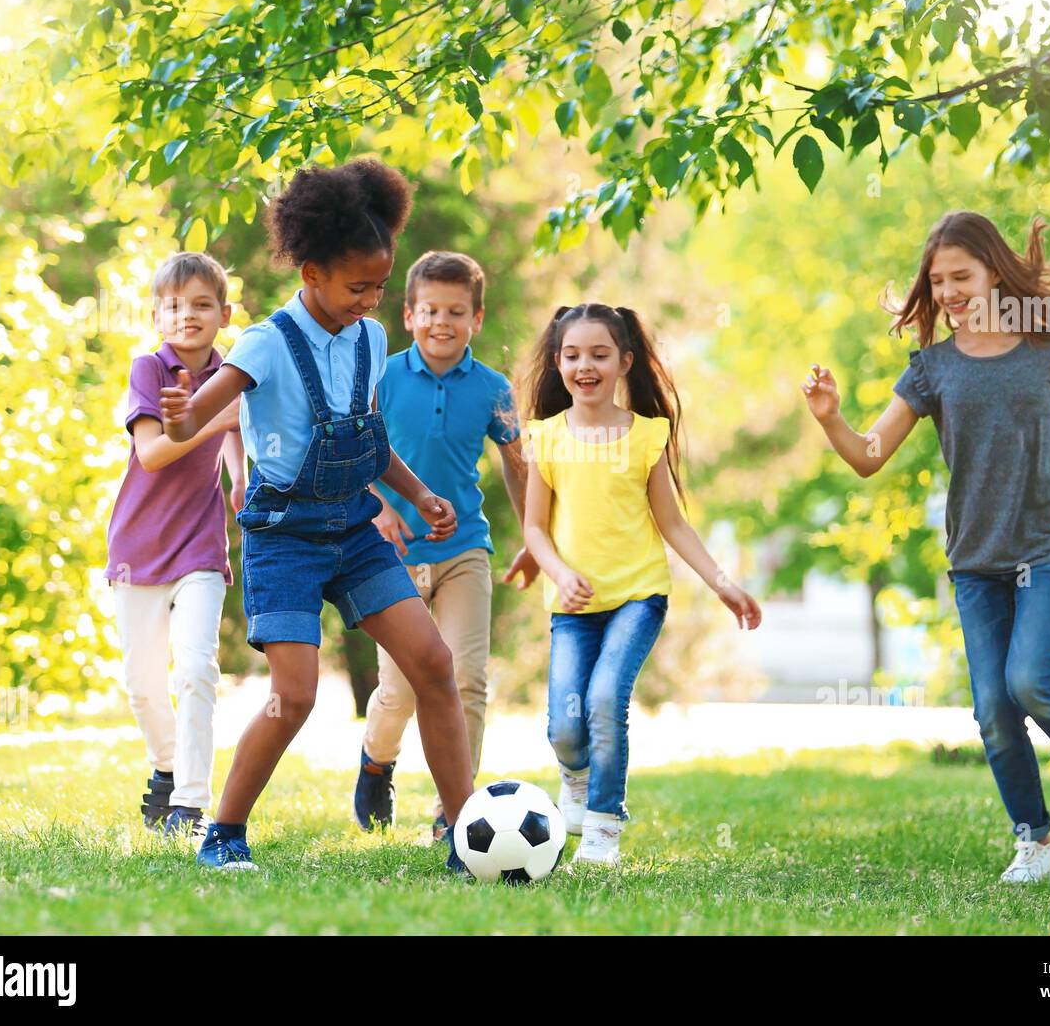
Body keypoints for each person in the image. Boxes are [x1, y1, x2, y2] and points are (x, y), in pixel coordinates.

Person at [800, 210, 1050, 883]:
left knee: (1030, 679)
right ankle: (1035, 840)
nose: (948, 291)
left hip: (1047, 542)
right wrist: (831, 419)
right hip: (975, 557)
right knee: (993, 707)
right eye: (937, 282)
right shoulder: (933, 369)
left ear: (994, 272)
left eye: (960, 275)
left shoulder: (1048, 350)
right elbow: (871, 454)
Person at [159, 159, 474, 872]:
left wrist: (417, 493)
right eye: (357, 286)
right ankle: (225, 830)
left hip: (354, 530)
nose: (371, 300)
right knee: (294, 696)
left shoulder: (367, 340)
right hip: (284, 540)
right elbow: (195, 422)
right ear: (311, 272)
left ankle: (462, 831)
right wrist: (180, 418)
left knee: (433, 662)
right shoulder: (268, 342)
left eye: (380, 286)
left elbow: (366, 434)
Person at [522, 302, 762, 865]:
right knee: (564, 727)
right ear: (558, 363)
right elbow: (534, 527)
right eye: (573, 354)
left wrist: (721, 581)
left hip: (637, 596)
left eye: (600, 354)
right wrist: (558, 571)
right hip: (572, 605)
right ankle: (575, 777)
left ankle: (605, 824)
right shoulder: (547, 439)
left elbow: (672, 522)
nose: (586, 365)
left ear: (624, 362)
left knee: (606, 700)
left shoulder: (646, 437)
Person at [354, 251, 537, 837]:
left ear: (476, 320)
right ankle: (376, 763)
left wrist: (534, 534)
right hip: (392, 554)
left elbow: (516, 462)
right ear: (408, 315)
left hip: (464, 550)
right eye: (430, 310)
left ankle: (454, 810)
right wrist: (379, 508)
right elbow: (354, 448)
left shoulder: (493, 389)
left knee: (467, 681)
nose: (442, 322)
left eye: (456, 312)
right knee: (399, 690)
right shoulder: (380, 376)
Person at [105, 252, 243, 841]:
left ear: (224, 313)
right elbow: (154, 453)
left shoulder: (231, 373)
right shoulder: (148, 369)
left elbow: (239, 425)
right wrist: (214, 419)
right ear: (157, 316)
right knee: (142, 682)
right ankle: (166, 767)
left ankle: (189, 802)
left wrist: (239, 477)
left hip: (199, 546)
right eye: (174, 306)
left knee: (195, 667)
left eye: (201, 304)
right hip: (137, 545)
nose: (188, 315)